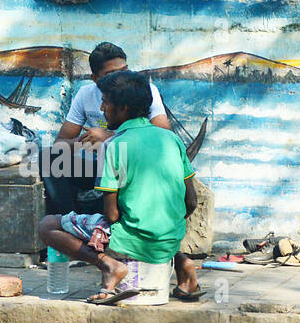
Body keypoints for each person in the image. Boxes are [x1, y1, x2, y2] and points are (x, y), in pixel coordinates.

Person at [39, 71, 197, 305]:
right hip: (170, 240)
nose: (102, 108)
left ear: (123, 108)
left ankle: (108, 264)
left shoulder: (113, 145)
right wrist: (162, 225)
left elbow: (112, 215)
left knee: (48, 225)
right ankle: (182, 261)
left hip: (130, 241)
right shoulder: (172, 140)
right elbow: (191, 201)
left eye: (106, 103)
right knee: (146, 221)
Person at [46, 42, 170, 215]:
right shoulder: (86, 95)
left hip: (131, 165)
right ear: (95, 79)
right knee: (49, 158)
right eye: (112, 74)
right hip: (98, 166)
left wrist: (109, 138)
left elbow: (163, 137)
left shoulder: (144, 91)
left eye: (125, 71)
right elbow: (60, 144)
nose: (120, 78)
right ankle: (68, 219)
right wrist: (87, 141)